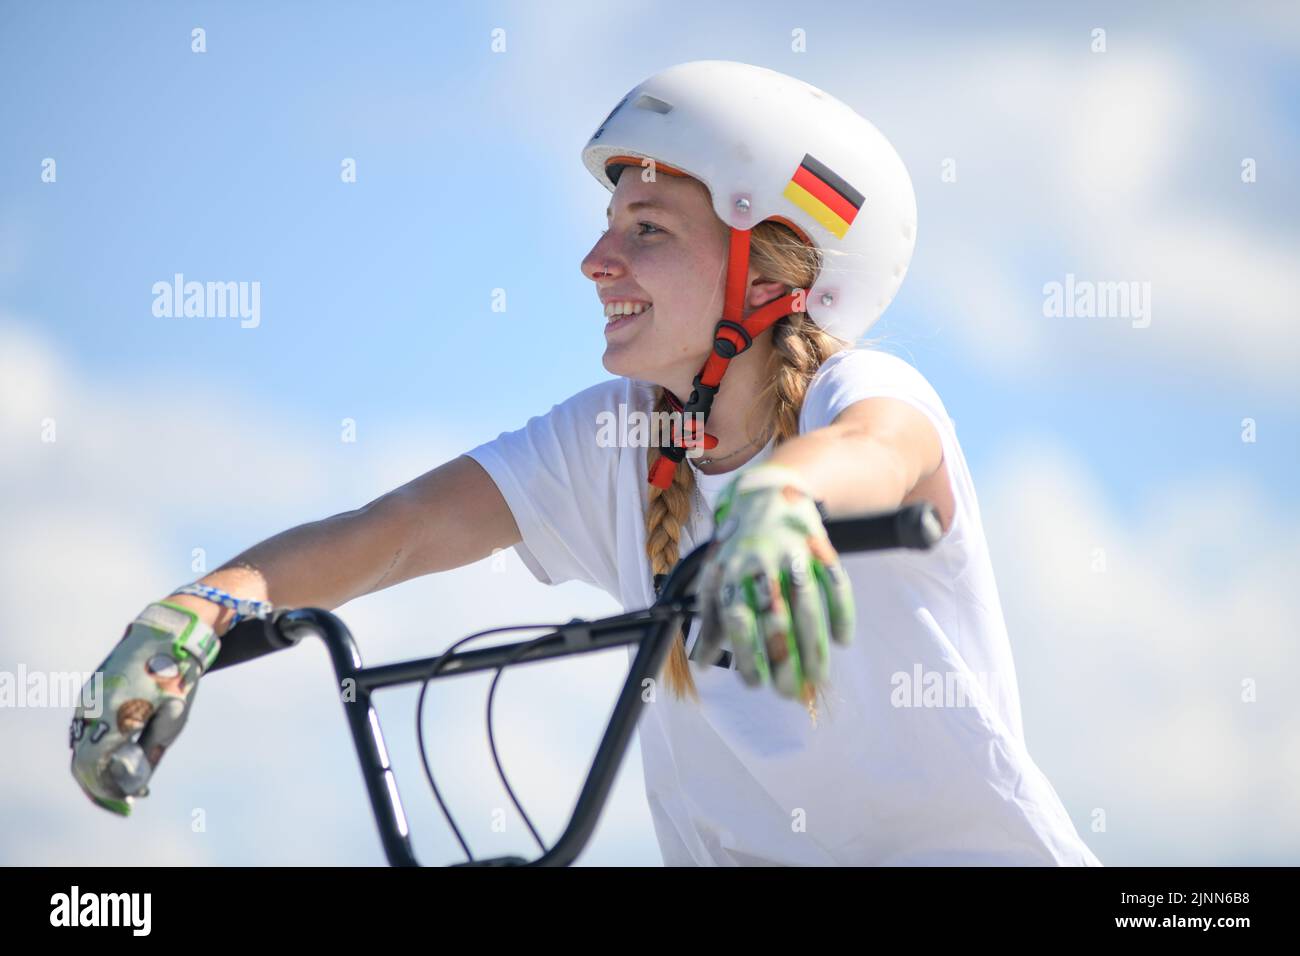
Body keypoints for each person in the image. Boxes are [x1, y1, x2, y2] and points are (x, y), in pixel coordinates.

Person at [72, 60, 1100, 867]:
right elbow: (395, 533)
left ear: (768, 267)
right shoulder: (617, 438)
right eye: (607, 226)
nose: (594, 261)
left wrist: (781, 499)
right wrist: (201, 606)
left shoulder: (860, 388)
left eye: (645, 231)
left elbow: (880, 449)